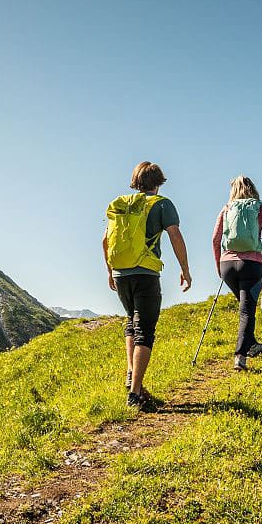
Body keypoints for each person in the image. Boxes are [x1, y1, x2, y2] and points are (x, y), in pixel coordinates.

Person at [103, 161, 192, 409]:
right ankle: (135, 394)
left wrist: (111, 272)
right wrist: (185, 269)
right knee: (145, 330)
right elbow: (175, 235)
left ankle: (133, 378)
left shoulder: (122, 204)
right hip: (145, 273)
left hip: (121, 273)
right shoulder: (162, 204)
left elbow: (105, 241)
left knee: (131, 322)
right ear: (159, 182)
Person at [211, 175, 262, 370]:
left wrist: (218, 265)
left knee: (247, 308)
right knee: (247, 310)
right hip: (251, 266)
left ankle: (251, 344)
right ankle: (240, 356)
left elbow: (215, 239)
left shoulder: (226, 209)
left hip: (227, 266)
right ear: (253, 188)